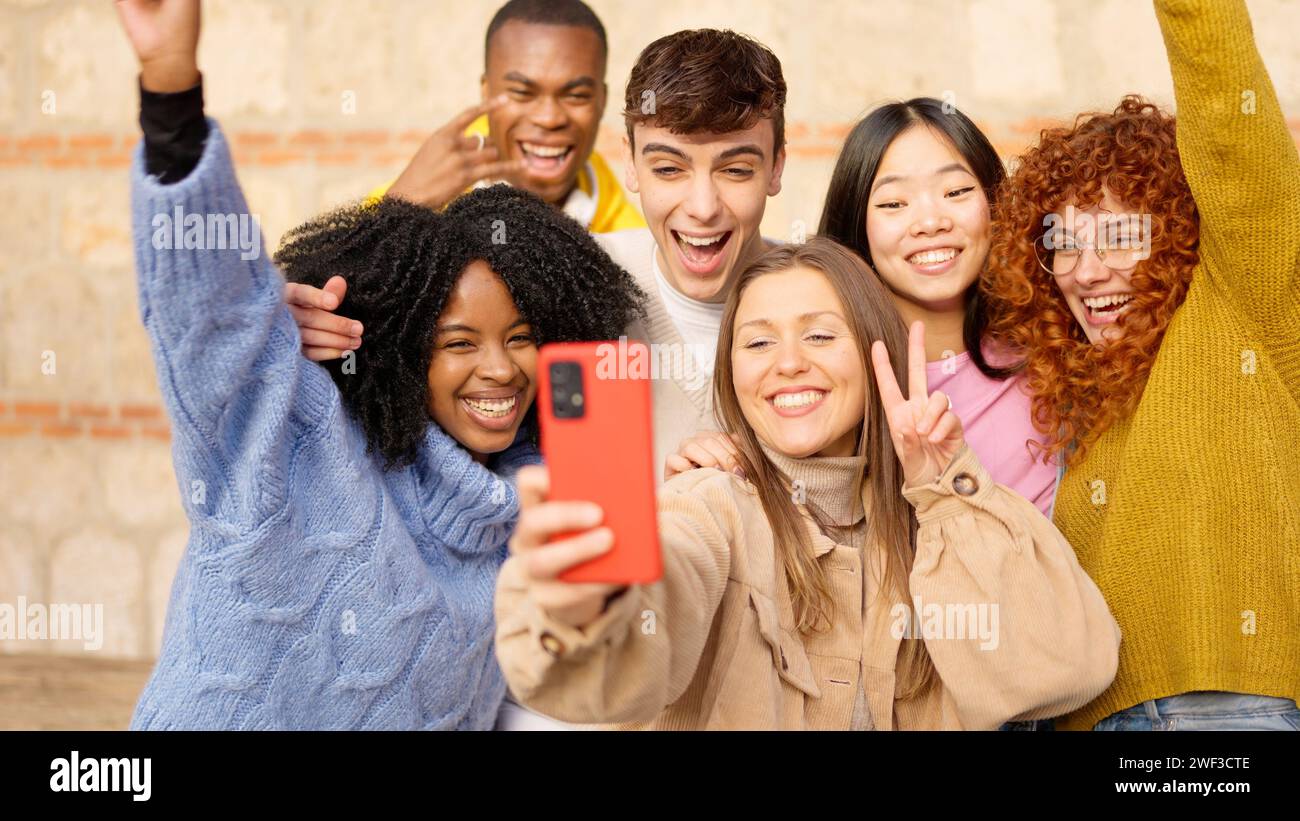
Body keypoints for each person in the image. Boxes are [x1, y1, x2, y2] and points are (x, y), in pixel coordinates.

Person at [116, 0, 643, 729]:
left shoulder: (540, 509)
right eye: (458, 342)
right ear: (404, 346)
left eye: (521, 337)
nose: (499, 369)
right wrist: (171, 90)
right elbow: (213, 320)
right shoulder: (307, 444)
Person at [493, 237, 1121, 730]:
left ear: (877, 352)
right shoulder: (709, 501)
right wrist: (593, 608)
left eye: (820, 335)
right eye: (758, 342)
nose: (788, 362)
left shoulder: (934, 529)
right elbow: (633, 633)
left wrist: (944, 488)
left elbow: (1056, 675)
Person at [981, 0, 1300, 730]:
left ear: (1183, 233)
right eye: (1063, 240)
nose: (1086, 271)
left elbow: (1228, 108)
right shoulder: (1073, 391)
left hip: (1226, 710)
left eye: (1121, 234)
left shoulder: (1244, 307)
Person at [370, 0, 644, 233]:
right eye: (522, 93)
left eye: (576, 95)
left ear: (602, 100)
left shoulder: (633, 240)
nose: (549, 118)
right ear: (486, 92)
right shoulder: (414, 198)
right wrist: (398, 210)